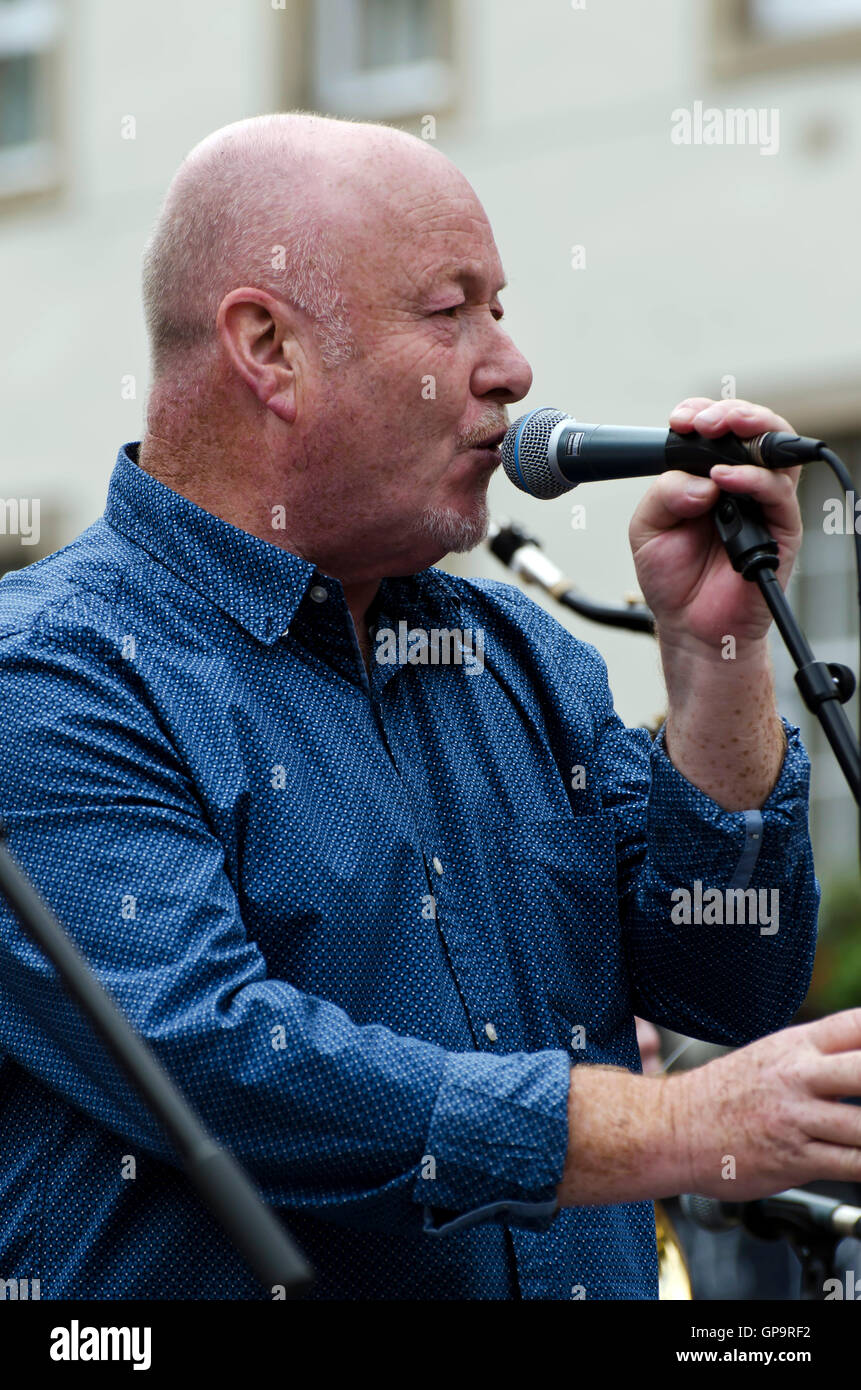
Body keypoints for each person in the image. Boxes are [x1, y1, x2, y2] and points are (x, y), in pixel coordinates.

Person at [0, 112, 857, 1302]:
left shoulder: (519, 657)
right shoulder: (46, 677)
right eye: (452, 312)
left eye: (499, 307)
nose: (511, 367)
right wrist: (669, 1124)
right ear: (268, 347)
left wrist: (718, 659)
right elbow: (219, 1064)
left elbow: (734, 983)